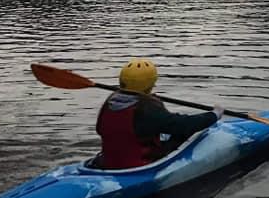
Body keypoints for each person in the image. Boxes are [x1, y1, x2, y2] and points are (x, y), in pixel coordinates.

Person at [96, 59, 224, 170]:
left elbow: (100, 129)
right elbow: (182, 124)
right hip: (138, 165)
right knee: (184, 133)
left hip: (107, 163)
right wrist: (214, 115)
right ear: (151, 83)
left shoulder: (109, 102)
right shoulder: (147, 109)